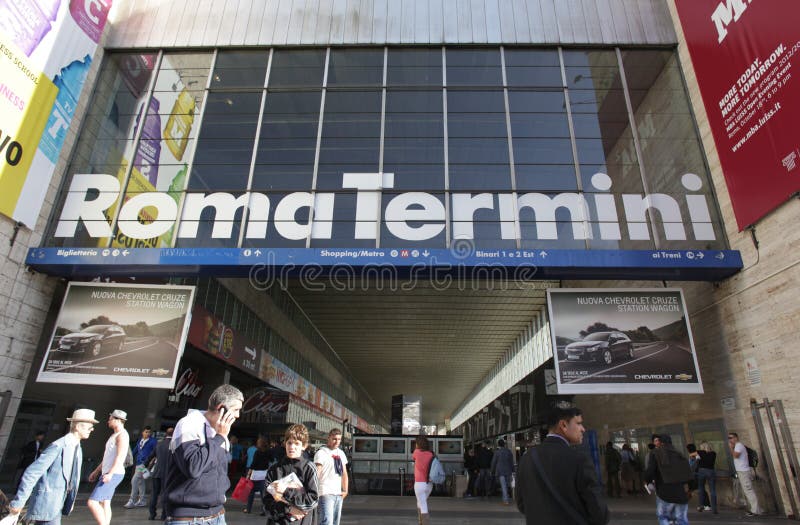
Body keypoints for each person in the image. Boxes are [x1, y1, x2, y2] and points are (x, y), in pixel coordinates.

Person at [164, 384, 243, 525]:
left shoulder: (221, 432)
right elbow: (193, 467)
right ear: (221, 408)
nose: (237, 415)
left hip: (217, 514)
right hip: (188, 518)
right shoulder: (189, 424)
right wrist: (219, 437)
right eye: (235, 410)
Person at [515, 405, 608, 525]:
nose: (583, 429)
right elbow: (599, 513)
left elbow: (522, 504)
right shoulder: (579, 460)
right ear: (563, 425)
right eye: (578, 423)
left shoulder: (527, 458)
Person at [9, 409, 97, 525]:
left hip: (58, 504)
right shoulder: (58, 446)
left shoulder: (77, 448)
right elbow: (32, 472)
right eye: (89, 427)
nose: (92, 430)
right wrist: (18, 502)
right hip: (48, 503)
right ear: (78, 427)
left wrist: (70, 500)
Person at [263, 423, 319, 524]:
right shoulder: (274, 469)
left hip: (302, 521)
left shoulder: (309, 468)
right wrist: (288, 509)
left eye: (296, 443)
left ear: (304, 446)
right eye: (289, 443)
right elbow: (266, 503)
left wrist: (286, 491)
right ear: (285, 443)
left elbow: (313, 500)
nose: (292, 447)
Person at [87, 409, 130, 525]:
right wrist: (96, 471)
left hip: (114, 473)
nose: (108, 421)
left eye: (110, 419)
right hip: (110, 472)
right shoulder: (114, 435)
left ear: (118, 420)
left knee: (92, 502)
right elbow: (108, 457)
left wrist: (110, 474)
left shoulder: (122, 436)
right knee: (105, 502)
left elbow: (120, 457)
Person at [644, 434, 692, 525]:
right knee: (681, 519)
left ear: (660, 443)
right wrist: (689, 489)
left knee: (663, 517)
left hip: (664, 493)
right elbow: (688, 474)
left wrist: (648, 481)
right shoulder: (679, 454)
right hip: (680, 493)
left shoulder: (655, 453)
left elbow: (650, 471)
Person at [314, 428, 349, 525]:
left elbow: (344, 473)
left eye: (339, 439)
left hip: (338, 493)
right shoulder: (321, 453)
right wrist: (314, 491)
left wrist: (345, 490)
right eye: (334, 439)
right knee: (327, 522)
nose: (336, 442)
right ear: (328, 438)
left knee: (335, 522)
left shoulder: (341, 453)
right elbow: (317, 472)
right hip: (325, 492)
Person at [729, 432, 762, 516]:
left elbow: (735, 455)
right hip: (742, 471)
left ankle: (755, 510)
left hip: (743, 471)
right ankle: (754, 509)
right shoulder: (738, 446)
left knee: (748, 490)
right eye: (729, 438)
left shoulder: (739, 445)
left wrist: (731, 448)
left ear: (736, 438)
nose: (730, 439)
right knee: (747, 491)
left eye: (731, 437)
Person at [125, 425, 157, 508]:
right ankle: (142, 500)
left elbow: (155, 452)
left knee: (134, 480)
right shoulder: (140, 440)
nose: (148, 433)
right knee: (140, 482)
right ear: (143, 432)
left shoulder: (153, 441)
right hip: (138, 463)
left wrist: (152, 462)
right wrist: (128, 459)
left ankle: (132, 500)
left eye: (149, 432)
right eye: (146, 432)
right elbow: (135, 450)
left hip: (145, 463)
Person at [148, 427, 174, 520]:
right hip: (168, 474)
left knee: (154, 494)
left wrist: (143, 468)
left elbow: (150, 457)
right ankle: (164, 515)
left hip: (156, 473)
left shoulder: (159, 444)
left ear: (166, 434)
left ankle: (152, 514)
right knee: (165, 494)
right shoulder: (174, 445)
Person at [243, 437, 270, 514]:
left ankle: (248, 509)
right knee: (263, 494)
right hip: (264, 474)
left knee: (251, 493)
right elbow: (271, 460)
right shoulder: (268, 452)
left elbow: (254, 463)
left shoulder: (257, 452)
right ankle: (264, 510)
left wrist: (248, 474)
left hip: (255, 475)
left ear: (259, 443)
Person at [412, 435, 434, 525]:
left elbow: (413, 458)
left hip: (419, 484)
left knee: (423, 505)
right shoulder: (431, 453)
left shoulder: (416, 452)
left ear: (418, 444)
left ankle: (424, 523)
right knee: (420, 502)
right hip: (429, 484)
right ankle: (420, 523)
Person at [491, 439, 514, 505]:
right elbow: (511, 462)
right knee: (506, 485)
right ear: (504, 444)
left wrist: (492, 471)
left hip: (500, 471)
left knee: (503, 486)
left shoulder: (497, 452)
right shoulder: (509, 452)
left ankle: (506, 500)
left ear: (498, 445)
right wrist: (513, 470)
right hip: (508, 471)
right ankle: (506, 497)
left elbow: (494, 462)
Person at [696, 441, 717, 514]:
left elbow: (694, 457)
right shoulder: (713, 453)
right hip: (711, 471)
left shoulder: (700, 453)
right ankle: (714, 509)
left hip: (701, 471)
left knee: (701, 488)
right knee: (712, 490)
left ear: (702, 447)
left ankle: (701, 505)